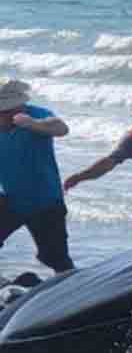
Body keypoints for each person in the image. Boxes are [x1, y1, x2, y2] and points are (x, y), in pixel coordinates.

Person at [0, 79, 74, 273]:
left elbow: (61, 128)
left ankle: (76, 294)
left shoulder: (36, 115)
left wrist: (32, 124)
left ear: (19, 108)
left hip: (46, 203)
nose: (4, 117)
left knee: (55, 258)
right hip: (11, 202)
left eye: (8, 112)